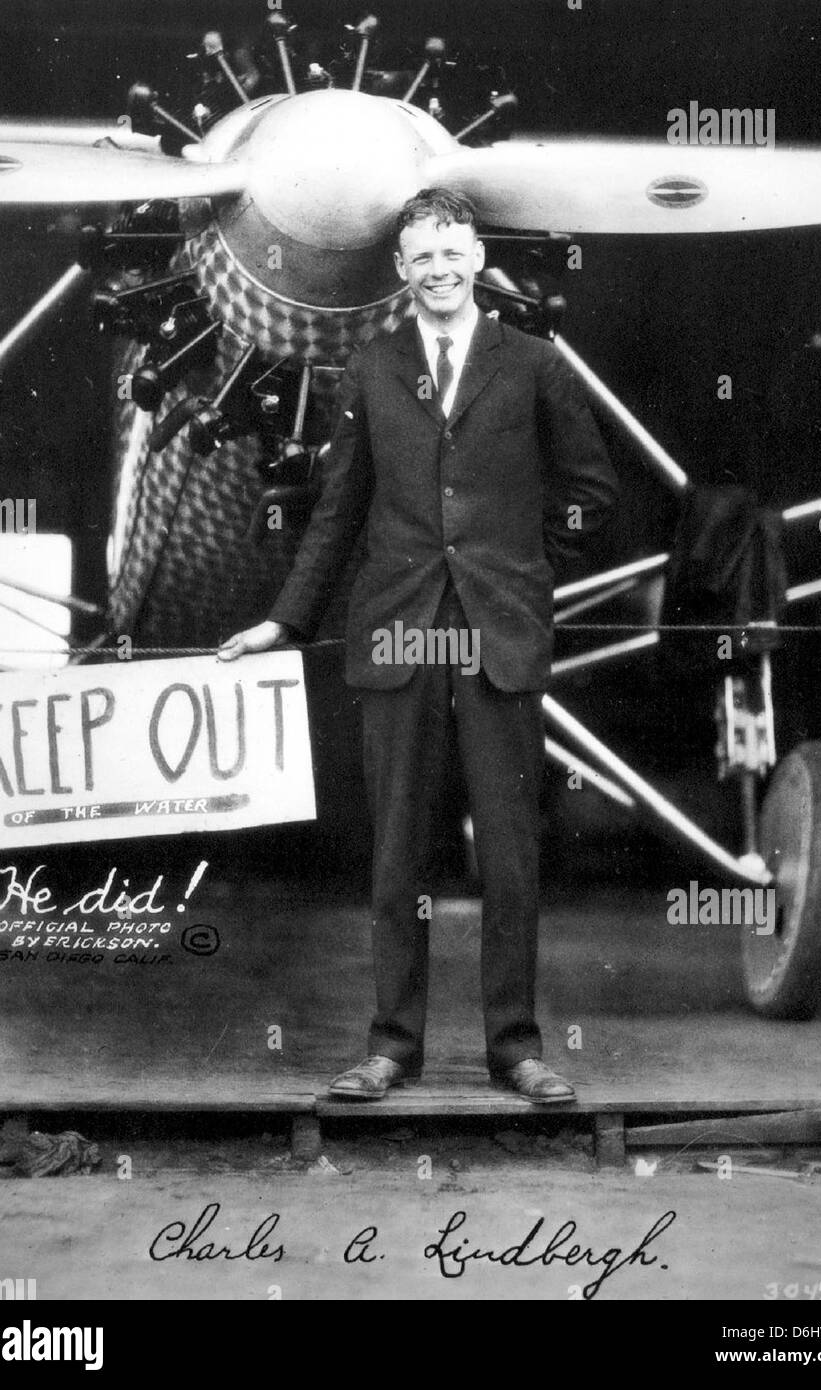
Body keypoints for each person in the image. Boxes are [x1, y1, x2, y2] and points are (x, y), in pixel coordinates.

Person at [219, 187, 619, 1103]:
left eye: (453, 254)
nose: (439, 271)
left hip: (496, 632)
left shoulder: (536, 365)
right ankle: (391, 1047)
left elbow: (591, 494)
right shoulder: (369, 368)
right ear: (400, 270)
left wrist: (523, 572)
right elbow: (339, 510)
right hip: (398, 628)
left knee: (509, 849)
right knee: (396, 846)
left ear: (477, 258)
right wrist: (286, 620)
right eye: (422, 258)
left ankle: (515, 1050)